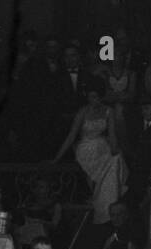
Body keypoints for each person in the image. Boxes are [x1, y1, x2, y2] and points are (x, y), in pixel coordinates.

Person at [53, 75, 127, 224]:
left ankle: (109, 207)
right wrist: (56, 158)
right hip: (85, 147)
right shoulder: (83, 112)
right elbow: (71, 137)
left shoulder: (108, 111)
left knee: (116, 160)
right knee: (106, 162)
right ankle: (102, 205)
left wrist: (114, 149)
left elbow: (112, 135)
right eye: (91, 97)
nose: (94, 100)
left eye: (96, 97)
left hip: (103, 145)